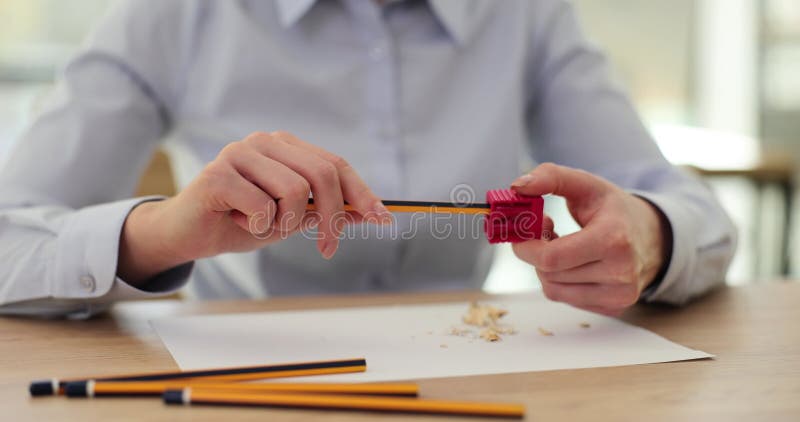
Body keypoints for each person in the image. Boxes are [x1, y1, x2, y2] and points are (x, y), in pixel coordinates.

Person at [0, 0, 735, 319]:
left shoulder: (527, 15)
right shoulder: (171, 15)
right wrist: (164, 235)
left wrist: (650, 236)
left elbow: (697, 217)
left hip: (488, 376)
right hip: (244, 391)